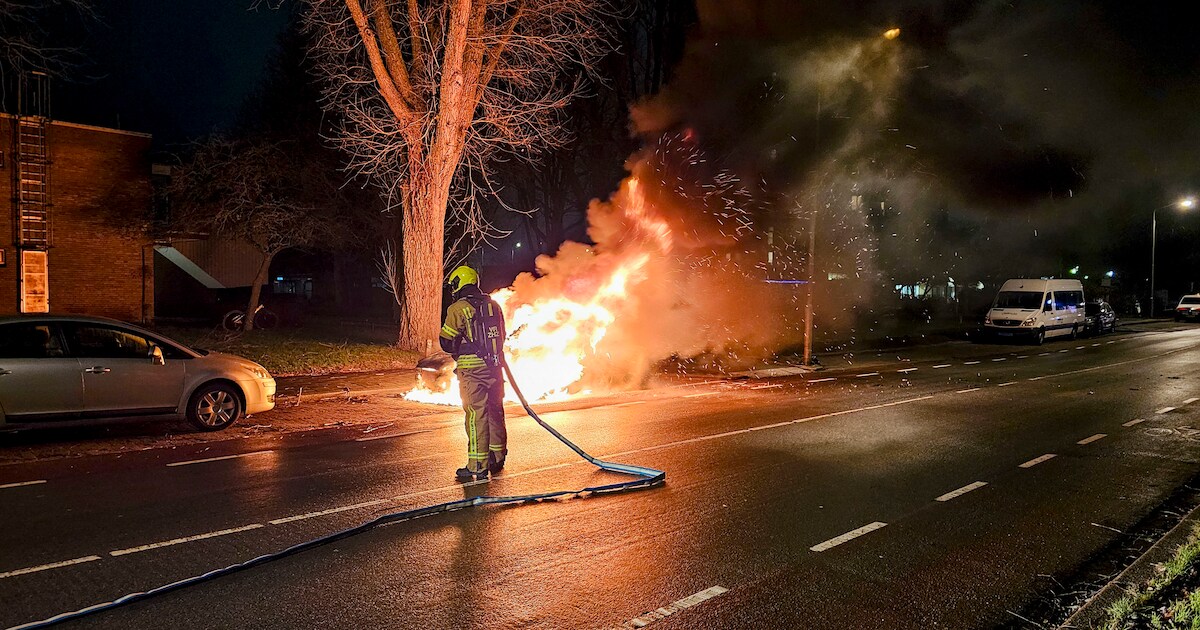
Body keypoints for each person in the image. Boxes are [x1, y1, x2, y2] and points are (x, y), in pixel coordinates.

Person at [440, 265, 508, 482]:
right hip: (495, 367)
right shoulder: (494, 306)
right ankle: (497, 457)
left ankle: (477, 465)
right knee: (495, 409)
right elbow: (502, 335)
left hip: (472, 371)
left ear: (460, 283)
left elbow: (446, 342)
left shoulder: (458, 308)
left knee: (475, 415)